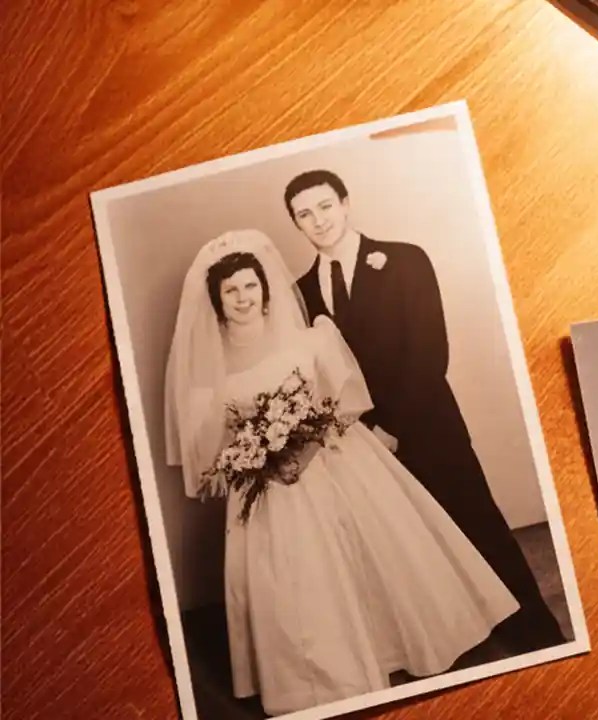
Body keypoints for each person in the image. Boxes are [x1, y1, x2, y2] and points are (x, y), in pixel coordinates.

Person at [164, 230, 518, 716]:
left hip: (335, 461)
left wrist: (306, 444)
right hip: (271, 487)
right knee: (296, 576)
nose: (243, 298)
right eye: (231, 291)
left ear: (266, 290)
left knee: (375, 551)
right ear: (217, 299)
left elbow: (346, 400)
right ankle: (321, 673)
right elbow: (212, 446)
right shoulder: (210, 368)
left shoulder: (310, 337)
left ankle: (401, 645)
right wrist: (257, 453)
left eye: (251, 286)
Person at [285, 170, 565, 652]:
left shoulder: (404, 260)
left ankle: (538, 637)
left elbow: (429, 350)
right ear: (296, 224)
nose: (318, 221)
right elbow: (318, 377)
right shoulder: (301, 290)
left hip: (429, 428)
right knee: (414, 547)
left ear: (346, 203)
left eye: (325, 206)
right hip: (362, 447)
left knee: (479, 527)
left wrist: (391, 426)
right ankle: (468, 641)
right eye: (304, 214)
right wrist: (365, 432)